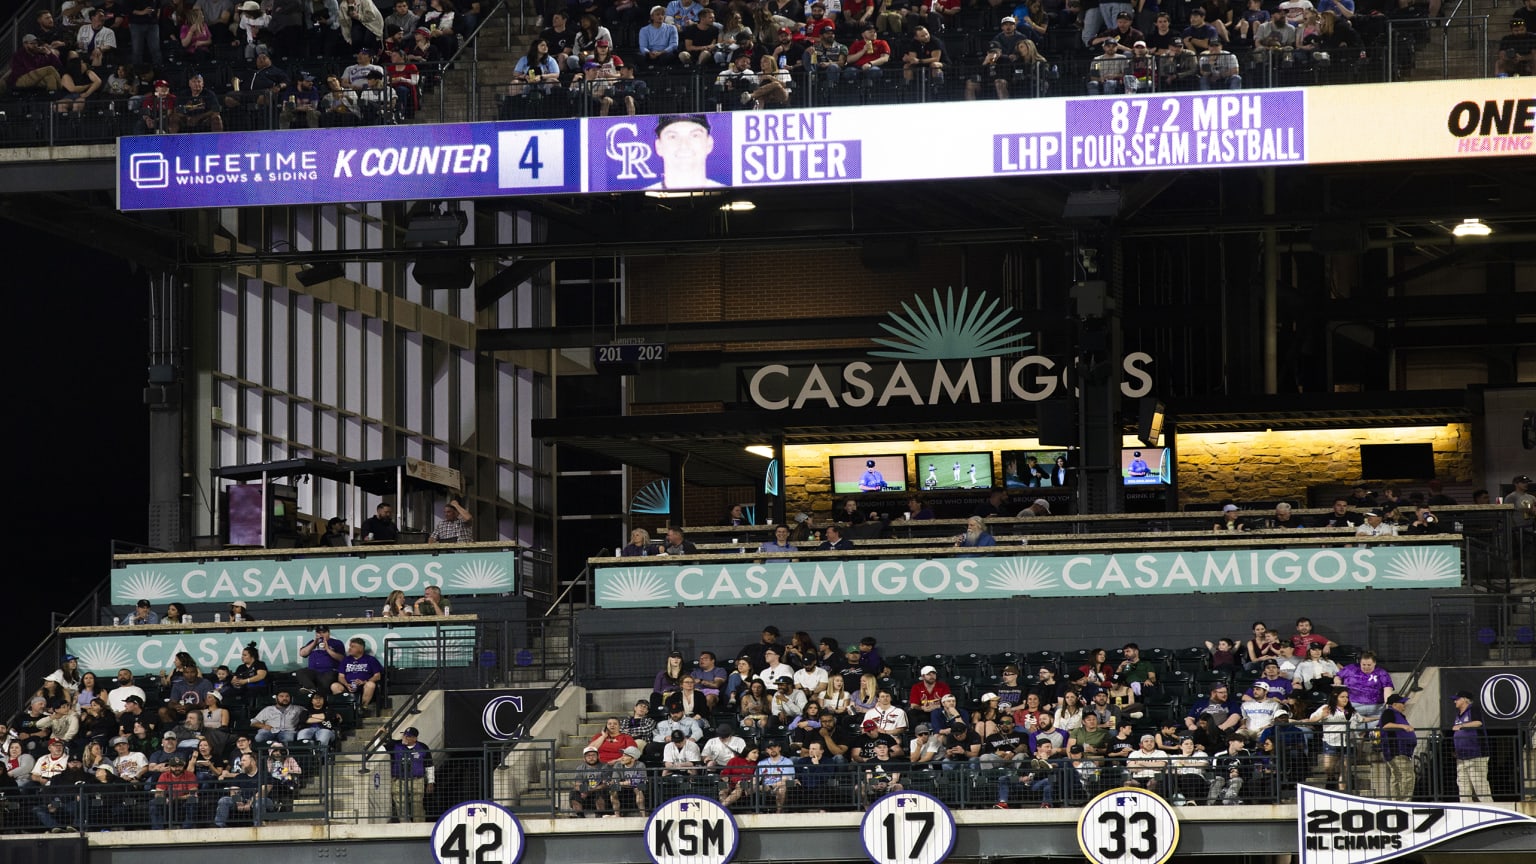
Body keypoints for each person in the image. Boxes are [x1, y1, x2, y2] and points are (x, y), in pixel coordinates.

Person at [647, 114, 722, 191]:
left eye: (695, 135)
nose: (684, 145)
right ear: (658, 146)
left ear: (709, 143)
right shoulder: (644, 195)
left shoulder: (725, 192)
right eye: (673, 136)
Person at [215, 752, 274, 827]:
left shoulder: (265, 774)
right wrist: (238, 801)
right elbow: (233, 791)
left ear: (253, 762)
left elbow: (263, 791)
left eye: (244, 760)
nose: (240, 763)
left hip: (262, 800)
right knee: (224, 800)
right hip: (243, 800)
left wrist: (250, 802)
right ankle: (220, 826)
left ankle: (258, 826)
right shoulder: (240, 776)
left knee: (259, 803)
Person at [1450, 690, 1489, 801]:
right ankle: (1466, 810)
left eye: (1456, 699)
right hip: (1461, 757)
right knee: (1463, 787)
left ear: (1464, 699)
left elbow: (1478, 722)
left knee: (1480, 786)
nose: (1454, 702)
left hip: (1476, 755)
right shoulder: (1458, 715)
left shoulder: (1473, 709)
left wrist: (1461, 726)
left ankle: (1490, 809)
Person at [391, 726, 435, 821]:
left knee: (417, 805)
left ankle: (419, 827)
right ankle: (404, 827)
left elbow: (429, 765)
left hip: (417, 780)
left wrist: (430, 782)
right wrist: (378, 735)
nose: (405, 738)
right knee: (400, 805)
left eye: (408, 736)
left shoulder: (423, 747)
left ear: (414, 738)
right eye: (404, 735)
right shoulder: (396, 745)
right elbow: (379, 748)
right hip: (398, 780)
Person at [1378, 693, 1416, 801]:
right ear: (1394, 704)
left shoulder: (1396, 714)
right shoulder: (1389, 712)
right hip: (1397, 750)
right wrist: (1403, 726)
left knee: (1397, 776)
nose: (1404, 705)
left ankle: (1397, 801)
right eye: (1402, 703)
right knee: (1408, 776)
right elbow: (1386, 725)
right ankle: (1404, 801)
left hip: (1399, 750)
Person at [334, 637, 385, 710]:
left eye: (353, 647)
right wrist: (346, 684)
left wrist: (364, 682)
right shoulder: (346, 660)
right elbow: (341, 676)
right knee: (335, 686)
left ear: (360, 649)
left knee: (370, 685)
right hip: (348, 686)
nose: (349, 649)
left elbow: (377, 676)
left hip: (363, 686)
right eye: (350, 646)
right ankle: (344, 708)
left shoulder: (370, 659)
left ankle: (362, 708)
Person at [1337, 651, 1393, 718]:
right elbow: (1338, 676)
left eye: (1369, 665)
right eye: (1363, 664)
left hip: (1376, 707)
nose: (1366, 667)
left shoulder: (1382, 673)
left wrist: (1388, 704)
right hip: (1353, 705)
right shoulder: (1350, 668)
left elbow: (1387, 689)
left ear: (1374, 663)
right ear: (1360, 663)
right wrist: (1337, 681)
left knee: (1379, 723)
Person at [297, 624, 346, 693]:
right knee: (301, 672)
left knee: (328, 678)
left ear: (328, 632)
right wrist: (315, 642)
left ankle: (322, 696)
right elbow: (302, 653)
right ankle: (311, 689)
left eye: (324, 632)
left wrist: (328, 650)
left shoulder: (336, 643)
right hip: (314, 671)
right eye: (319, 633)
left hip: (329, 671)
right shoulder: (312, 643)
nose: (321, 634)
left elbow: (342, 659)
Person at [569, 745, 612, 816]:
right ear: (584, 758)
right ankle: (580, 815)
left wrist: (589, 791)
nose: (591, 757)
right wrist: (582, 790)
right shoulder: (580, 768)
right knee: (573, 793)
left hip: (599, 793)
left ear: (598, 756)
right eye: (588, 756)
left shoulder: (605, 766)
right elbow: (577, 784)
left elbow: (605, 784)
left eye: (593, 755)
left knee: (600, 792)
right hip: (585, 795)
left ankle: (600, 815)